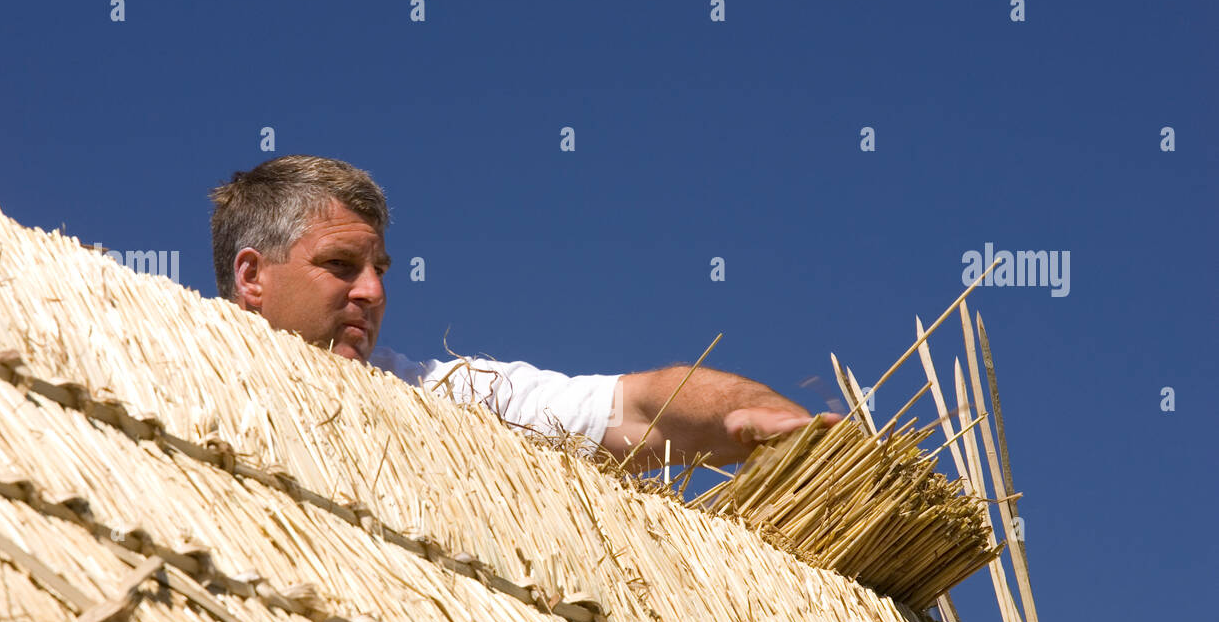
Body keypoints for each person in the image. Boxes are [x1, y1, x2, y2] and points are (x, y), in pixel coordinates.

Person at [211, 155, 838, 473]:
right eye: (342, 265)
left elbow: (635, 408)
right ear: (252, 276)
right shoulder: (154, 364)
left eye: (381, 268)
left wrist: (757, 416)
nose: (373, 292)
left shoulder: (439, 395)